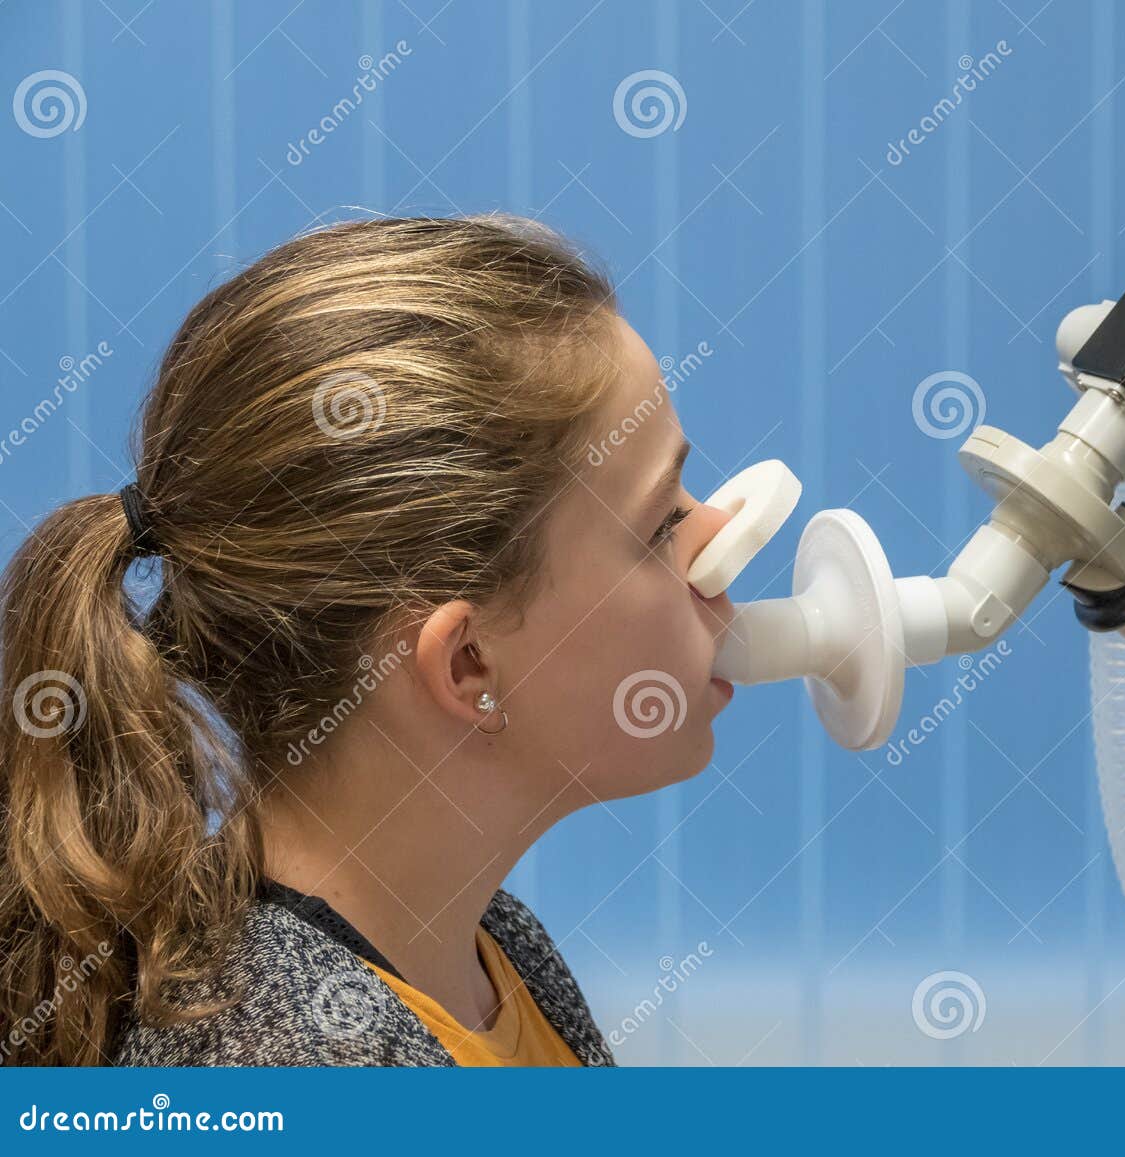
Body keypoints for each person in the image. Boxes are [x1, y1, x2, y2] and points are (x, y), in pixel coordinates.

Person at [0, 215, 737, 1066]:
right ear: (467, 664)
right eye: (659, 526)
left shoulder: (485, 948)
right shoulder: (289, 1057)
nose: (717, 540)